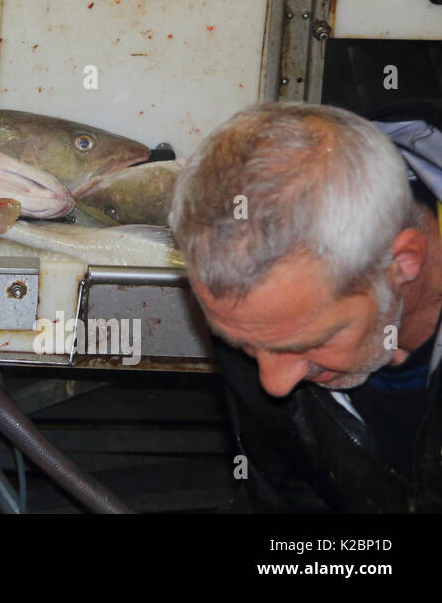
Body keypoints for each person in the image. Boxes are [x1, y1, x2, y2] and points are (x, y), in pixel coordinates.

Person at [169, 101, 442, 512]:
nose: (273, 383)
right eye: (242, 345)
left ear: (402, 261)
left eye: (304, 342)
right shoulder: (262, 315)